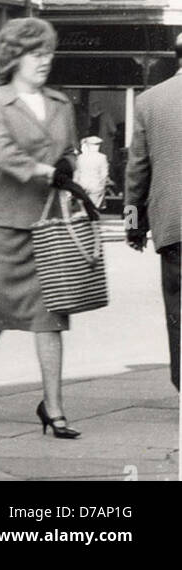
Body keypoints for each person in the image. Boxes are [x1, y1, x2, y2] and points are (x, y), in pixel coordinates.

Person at [0, 17, 82, 438]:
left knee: (51, 318)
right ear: (14, 57)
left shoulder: (62, 104)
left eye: (48, 53)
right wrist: (48, 171)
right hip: (1, 226)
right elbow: (3, 154)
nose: (44, 61)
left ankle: (54, 407)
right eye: (35, 54)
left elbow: (72, 150)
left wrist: (69, 163)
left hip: (48, 227)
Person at [124, 35, 182, 391]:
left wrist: (134, 226)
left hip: (174, 224)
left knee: (177, 308)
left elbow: (137, 171)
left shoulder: (149, 101)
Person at [73, 136, 110, 209]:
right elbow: (104, 174)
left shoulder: (80, 157)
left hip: (82, 185)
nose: (97, 146)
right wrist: (103, 187)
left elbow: (77, 173)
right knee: (93, 209)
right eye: (96, 145)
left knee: (84, 209)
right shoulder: (102, 157)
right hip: (96, 185)